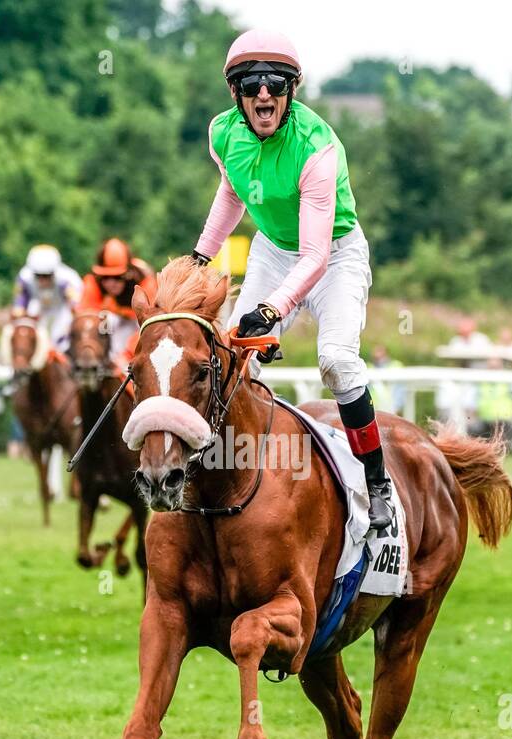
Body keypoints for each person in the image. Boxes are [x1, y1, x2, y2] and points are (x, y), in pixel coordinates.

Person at [190, 28, 391, 527]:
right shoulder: (222, 134)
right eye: (252, 83)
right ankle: (221, 474)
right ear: (235, 92)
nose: (264, 94)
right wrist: (200, 256)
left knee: (337, 362)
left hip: (334, 257)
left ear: (291, 90)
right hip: (274, 251)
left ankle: (376, 480)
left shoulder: (318, 146)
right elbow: (234, 194)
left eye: (276, 83)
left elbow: (316, 256)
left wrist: (272, 311)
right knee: (235, 360)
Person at [77, 238, 158, 369]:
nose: (111, 283)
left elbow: (150, 325)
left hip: (138, 324)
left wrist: (127, 354)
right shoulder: (93, 281)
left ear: (129, 273)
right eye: (105, 278)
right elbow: (87, 318)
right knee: (105, 320)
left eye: (117, 277)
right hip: (112, 325)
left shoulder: (144, 280)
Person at [10, 244, 82, 354]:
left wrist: (70, 326)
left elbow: (75, 306)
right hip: (38, 305)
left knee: (60, 336)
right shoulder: (24, 277)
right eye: (38, 276)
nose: (42, 280)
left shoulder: (67, 279)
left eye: (47, 276)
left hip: (61, 308)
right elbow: (19, 306)